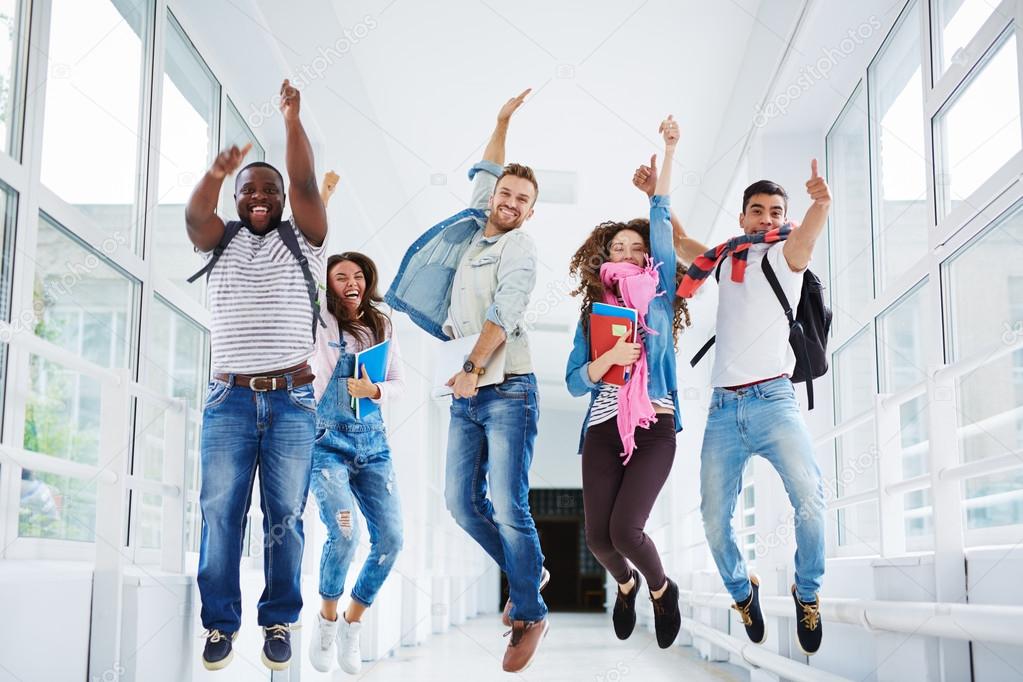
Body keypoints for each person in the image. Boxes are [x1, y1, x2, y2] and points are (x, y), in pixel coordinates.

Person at [385, 89, 548, 673]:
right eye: (505, 193)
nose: (508, 201)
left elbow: (504, 315)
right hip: (467, 389)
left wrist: (472, 370)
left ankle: (528, 608)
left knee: (507, 502)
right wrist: (502, 119)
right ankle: (529, 570)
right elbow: (486, 168)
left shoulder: (520, 248)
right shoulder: (479, 223)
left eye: (520, 199)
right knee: (460, 502)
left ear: (530, 211)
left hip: (506, 387)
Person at [185, 79, 327, 672]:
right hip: (231, 399)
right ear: (239, 199)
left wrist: (292, 122)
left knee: (286, 517)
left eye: (270, 189)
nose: (262, 196)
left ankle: (278, 620)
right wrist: (219, 172)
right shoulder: (220, 243)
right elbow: (196, 216)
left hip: (293, 400)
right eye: (251, 190)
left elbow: (305, 184)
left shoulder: (306, 241)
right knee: (221, 512)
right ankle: (220, 626)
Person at [671, 160, 831, 656]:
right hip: (722, 410)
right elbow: (680, 243)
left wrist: (820, 204)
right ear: (742, 219)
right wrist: (657, 190)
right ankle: (743, 593)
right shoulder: (724, 258)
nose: (766, 219)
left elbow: (807, 235)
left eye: (776, 211)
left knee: (809, 499)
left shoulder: (788, 256)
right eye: (756, 211)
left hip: (773, 400)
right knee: (714, 519)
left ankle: (807, 592)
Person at [565, 117, 690, 649]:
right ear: (604, 258)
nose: (628, 253)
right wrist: (609, 356)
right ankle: (625, 582)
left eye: (635, 247)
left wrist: (668, 150)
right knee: (598, 539)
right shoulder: (592, 315)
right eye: (617, 247)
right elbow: (574, 381)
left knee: (624, 530)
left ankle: (661, 591)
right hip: (601, 429)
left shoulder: (659, 299)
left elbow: (662, 227)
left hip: (654, 426)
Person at [306, 234, 405, 675]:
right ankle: (327, 621)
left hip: (374, 446)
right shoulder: (321, 320)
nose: (351, 281)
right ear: (330, 284)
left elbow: (400, 382)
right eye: (341, 276)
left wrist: (376, 389)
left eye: (358, 275)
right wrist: (320, 200)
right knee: (346, 532)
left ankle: (352, 623)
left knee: (391, 538)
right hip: (327, 446)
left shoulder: (383, 326)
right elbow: (305, 270)